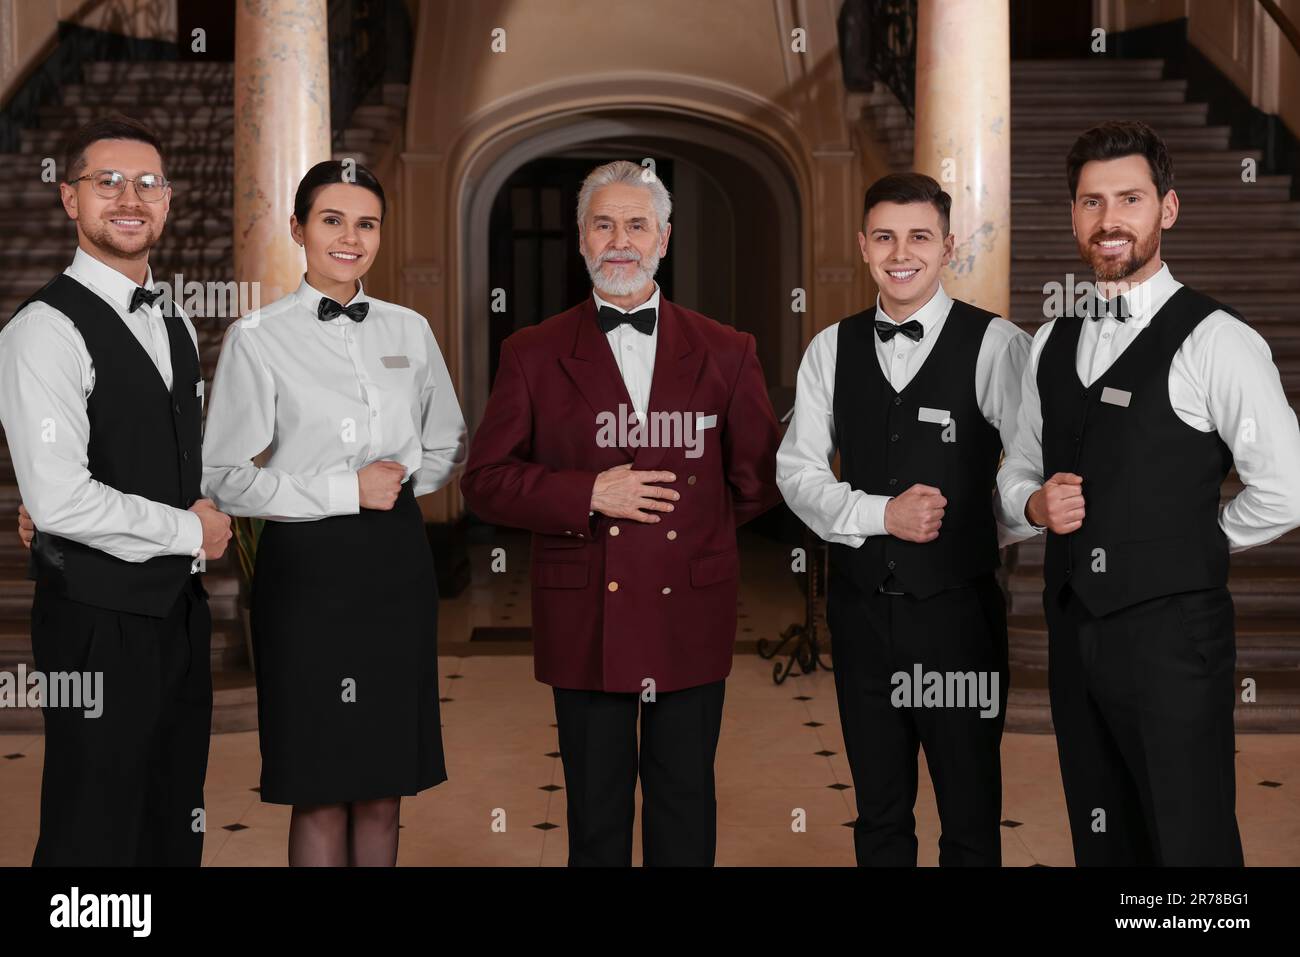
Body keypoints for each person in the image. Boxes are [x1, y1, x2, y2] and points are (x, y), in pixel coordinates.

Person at [461, 159, 782, 866]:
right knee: (596, 811)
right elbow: (483, 481)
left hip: (688, 608)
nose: (620, 240)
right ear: (580, 239)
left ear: (664, 238)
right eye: (603, 224)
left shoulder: (729, 351)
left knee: (685, 802)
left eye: (637, 224)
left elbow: (758, 479)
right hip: (585, 618)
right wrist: (586, 494)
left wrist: (694, 534)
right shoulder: (532, 352)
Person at [998, 121, 1300, 865]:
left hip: (1173, 637)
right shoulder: (1049, 342)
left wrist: (1194, 536)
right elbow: (1017, 468)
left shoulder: (1217, 340)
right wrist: (1032, 506)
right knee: (1102, 834)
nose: (1109, 220)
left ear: (1166, 209)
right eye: (1091, 202)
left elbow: (1287, 489)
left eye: (1129, 198)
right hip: (1075, 630)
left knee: (1187, 839)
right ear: (1072, 215)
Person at [199, 160, 466, 866]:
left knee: (383, 787)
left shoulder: (410, 330)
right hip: (307, 574)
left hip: (396, 566)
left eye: (367, 223)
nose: (351, 237)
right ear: (298, 227)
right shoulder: (257, 337)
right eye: (332, 219)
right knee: (319, 785)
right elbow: (223, 478)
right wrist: (345, 490)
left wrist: (406, 481)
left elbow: (449, 440)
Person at [777, 172, 1033, 866]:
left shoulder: (1000, 345)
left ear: (947, 246)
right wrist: (878, 514)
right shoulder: (829, 348)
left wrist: (978, 533)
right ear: (863, 246)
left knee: (971, 818)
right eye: (885, 236)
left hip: (958, 621)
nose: (901, 252)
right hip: (860, 618)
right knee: (879, 816)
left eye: (919, 236)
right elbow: (795, 470)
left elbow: (1028, 475)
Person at [1, 114, 231, 865]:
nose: (130, 197)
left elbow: (174, 460)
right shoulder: (42, 329)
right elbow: (62, 498)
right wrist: (190, 532)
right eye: (108, 182)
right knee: (91, 827)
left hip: (178, 614)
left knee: (173, 816)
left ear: (167, 200)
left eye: (148, 183)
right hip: (94, 619)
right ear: (71, 199)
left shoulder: (176, 322)